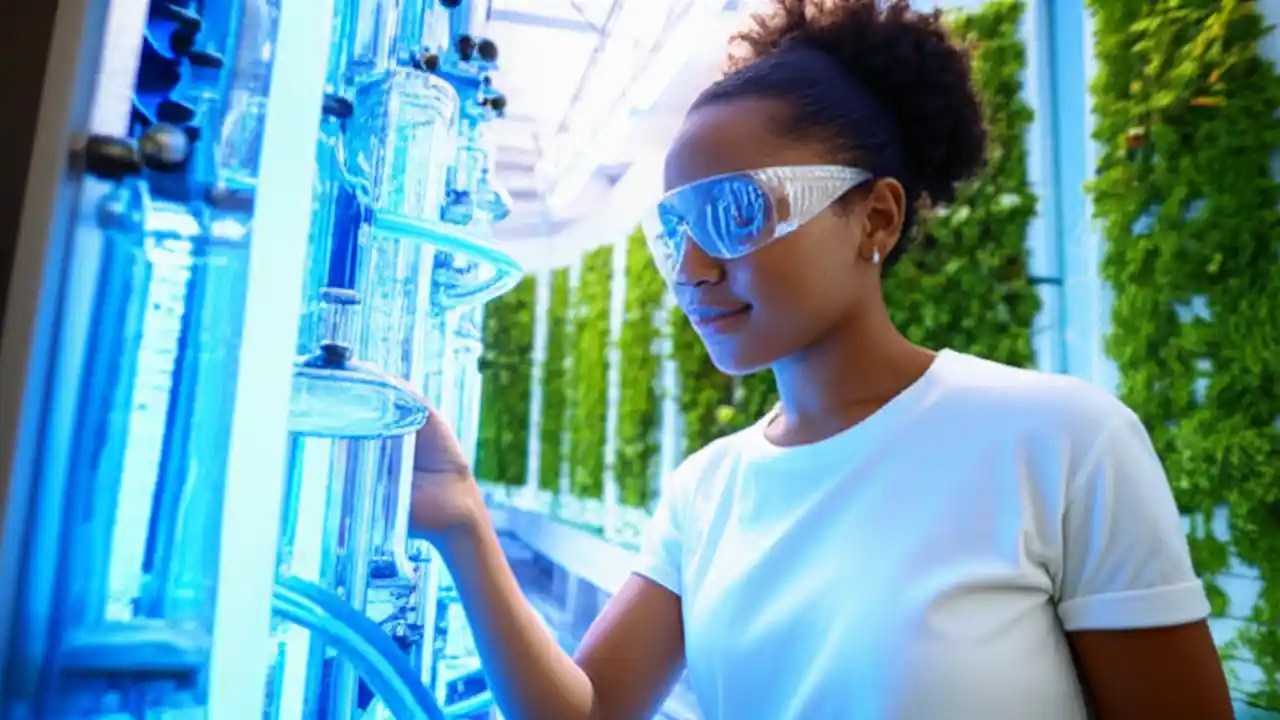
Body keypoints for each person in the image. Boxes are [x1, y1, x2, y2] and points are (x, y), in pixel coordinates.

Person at [408, 1, 1234, 717]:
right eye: (675, 234)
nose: (693, 269)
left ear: (874, 218)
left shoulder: (1060, 442)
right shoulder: (708, 490)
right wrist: (463, 523)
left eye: (735, 212)